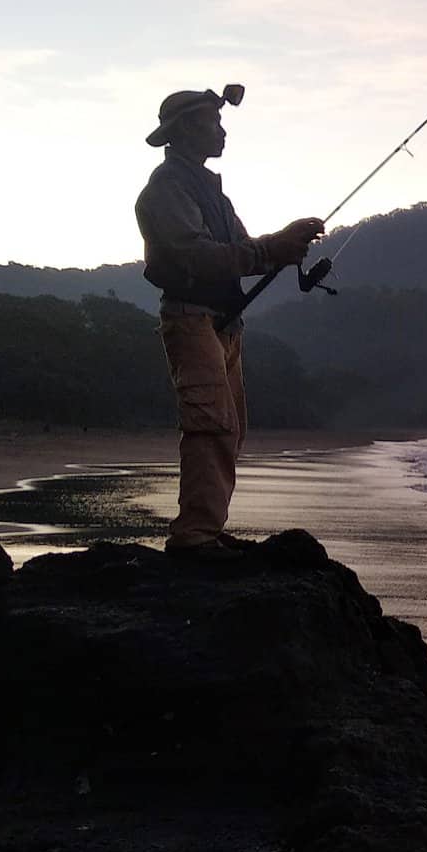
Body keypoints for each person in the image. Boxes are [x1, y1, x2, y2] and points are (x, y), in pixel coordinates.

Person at [133, 86, 324, 559]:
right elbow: (195, 255)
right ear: (186, 130)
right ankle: (194, 538)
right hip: (192, 320)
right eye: (213, 122)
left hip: (222, 325)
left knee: (230, 428)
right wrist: (271, 248)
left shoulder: (207, 189)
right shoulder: (166, 189)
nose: (222, 130)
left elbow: (240, 251)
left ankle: (206, 529)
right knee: (210, 426)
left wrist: (284, 242)